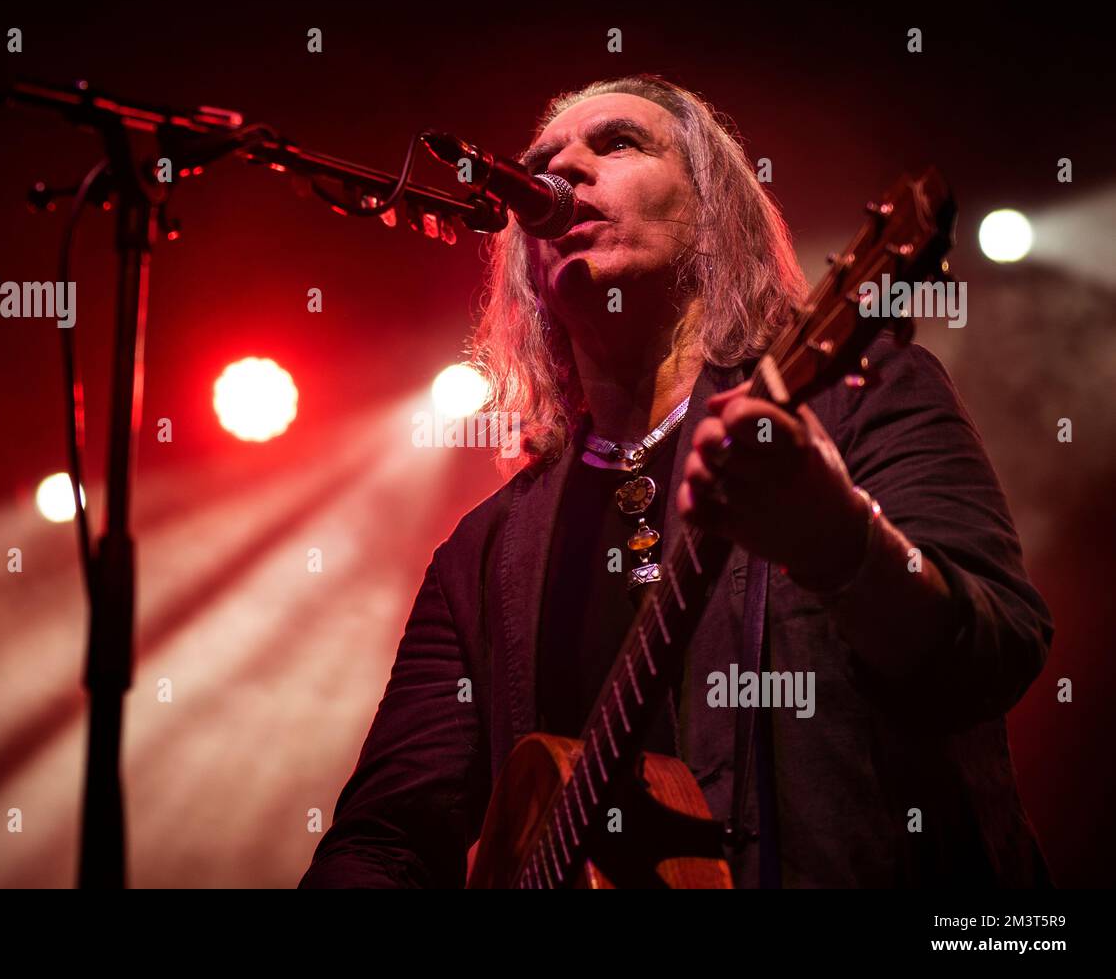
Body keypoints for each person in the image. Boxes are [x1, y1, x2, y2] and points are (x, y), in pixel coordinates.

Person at [298, 74, 1054, 888]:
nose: (563, 174)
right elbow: (382, 840)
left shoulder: (860, 396)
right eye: (544, 161)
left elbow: (996, 650)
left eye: (618, 143)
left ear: (712, 215)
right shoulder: (482, 555)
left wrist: (844, 545)